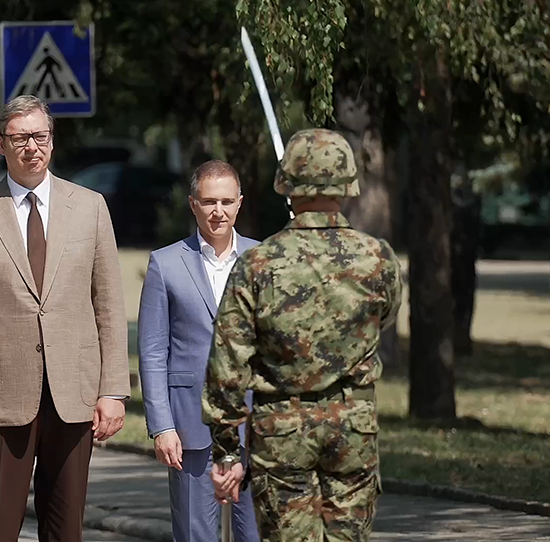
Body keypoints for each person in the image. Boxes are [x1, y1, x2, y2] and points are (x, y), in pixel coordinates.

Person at [0, 94, 130, 542]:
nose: (31, 147)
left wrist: (114, 390)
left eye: (40, 136)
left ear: (52, 141)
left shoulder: (90, 207)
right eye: (20, 138)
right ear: (2, 144)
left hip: (74, 394)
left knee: (66, 531)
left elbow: (109, 307)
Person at [202, 129, 403, 542]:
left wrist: (225, 448)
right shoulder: (378, 257)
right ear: (348, 185)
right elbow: (384, 318)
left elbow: (228, 363)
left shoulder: (257, 263)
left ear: (286, 187)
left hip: (282, 430)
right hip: (353, 426)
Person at [137, 160, 261, 542]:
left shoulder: (263, 260)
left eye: (226, 201)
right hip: (191, 425)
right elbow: (153, 352)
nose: (218, 211)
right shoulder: (166, 263)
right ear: (193, 204)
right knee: (195, 534)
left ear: (240, 203)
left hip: (255, 424)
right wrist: (162, 426)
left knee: (256, 533)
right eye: (209, 202)